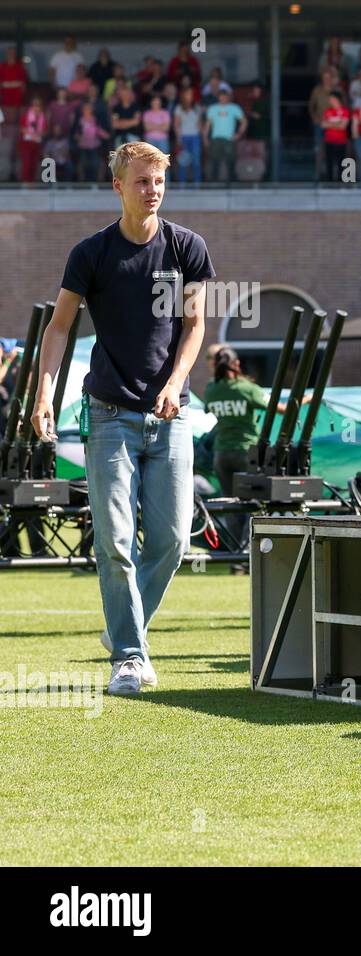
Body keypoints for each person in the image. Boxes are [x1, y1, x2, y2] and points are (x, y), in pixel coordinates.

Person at [31, 141, 214, 696]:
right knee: (113, 539)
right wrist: (42, 393)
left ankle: (121, 628)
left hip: (172, 415)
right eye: (141, 181)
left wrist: (176, 384)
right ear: (118, 186)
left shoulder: (188, 248)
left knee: (172, 541)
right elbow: (59, 327)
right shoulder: (91, 254)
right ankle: (130, 657)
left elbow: (196, 326)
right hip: (108, 414)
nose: (152, 190)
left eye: (159, 181)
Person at [203, 346, 268, 559]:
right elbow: (277, 406)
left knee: (230, 504)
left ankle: (233, 556)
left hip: (221, 454)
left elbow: (207, 410)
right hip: (246, 452)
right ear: (237, 364)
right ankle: (246, 552)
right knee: (253, 503)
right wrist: (305, 400)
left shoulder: (212, 389)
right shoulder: (246, 388)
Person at [203, 88, 246, 184]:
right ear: (218, 97)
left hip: (229, 139)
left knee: (230, 162)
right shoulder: (213, 108)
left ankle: (232, 184)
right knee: (215, 162)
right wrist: (205, 137)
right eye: (221, 97)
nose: (223, 99)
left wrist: (239, 134)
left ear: (228, 97)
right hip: (216, 139)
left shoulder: (234, 108)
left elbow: (244, 122)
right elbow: (208, 124)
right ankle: (214, 184)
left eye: (225, 97)